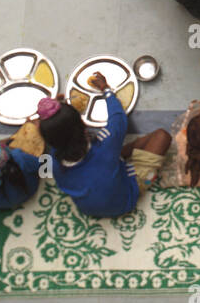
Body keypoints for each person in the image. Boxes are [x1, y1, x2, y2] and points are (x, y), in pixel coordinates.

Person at [37, 72, 172, 218]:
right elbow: (118, 118)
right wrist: (106, 89)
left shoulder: (53, 159)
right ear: (82, 125)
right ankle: (136, 181)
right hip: (124, 199)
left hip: (89, 209)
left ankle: (117, 164)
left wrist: (54, 114)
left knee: (111, 156)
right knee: (161, 136)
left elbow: (52, 131)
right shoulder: (106, 142)